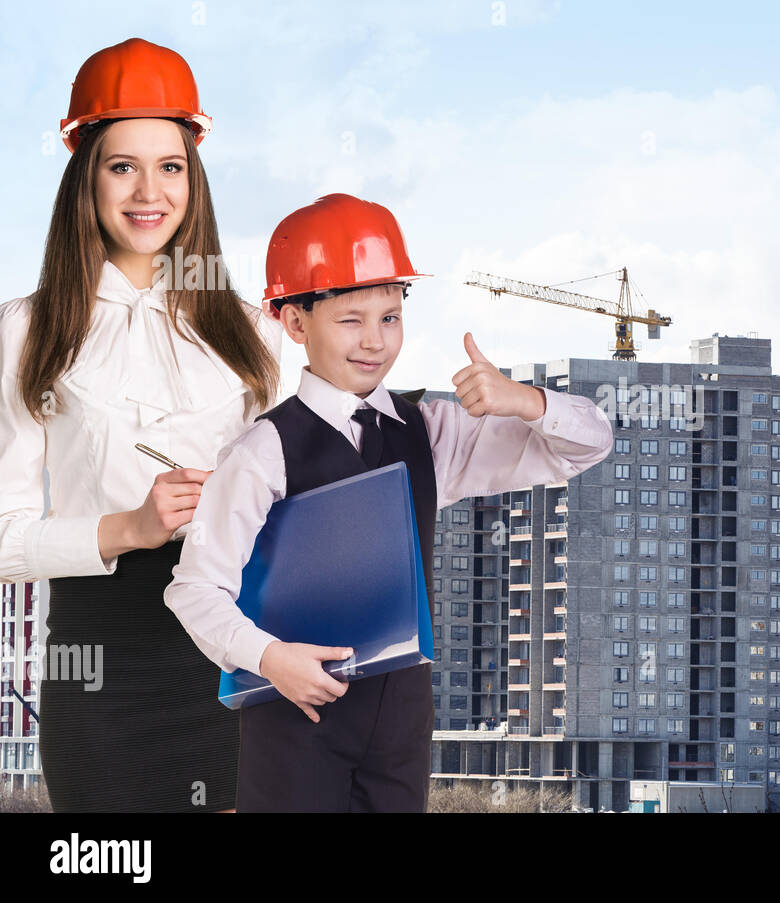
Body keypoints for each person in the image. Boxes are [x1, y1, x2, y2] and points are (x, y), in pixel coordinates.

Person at [163, 193, 613, 812]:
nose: (374, 341)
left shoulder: (428, 431)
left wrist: (525, 400)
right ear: (295, 322)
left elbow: (585, 446)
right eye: (351, 319)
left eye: (391, 317)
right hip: (295, 712)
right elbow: (194, 589)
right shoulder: (262, 451)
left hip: (401, 716)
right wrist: (270, 658)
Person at [0, 38, 283, 812]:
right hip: (99, 665)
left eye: (171, 166)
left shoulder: (253, 333)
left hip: (229, 653)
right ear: (85, 176)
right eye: (121, 164)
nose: (148, 191)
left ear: (194, 178)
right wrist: (126, 525)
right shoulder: (26, 330)